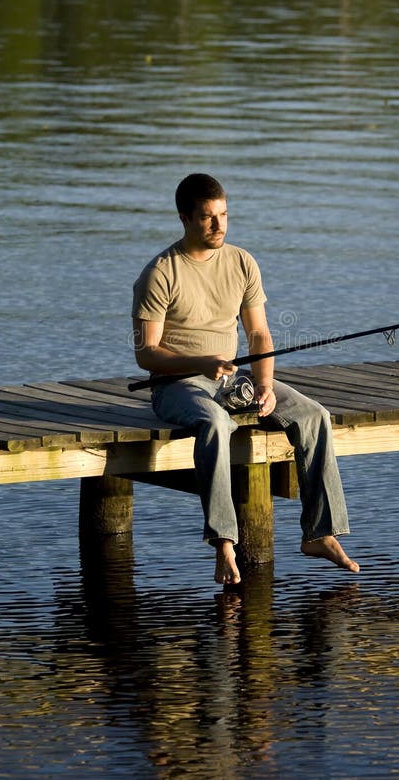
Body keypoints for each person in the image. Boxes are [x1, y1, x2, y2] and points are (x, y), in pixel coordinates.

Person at [131, 173, 359, 586]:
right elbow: (146, 353)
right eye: (207, 217)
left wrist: (266, 385)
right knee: (217, 424)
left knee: (314, 415)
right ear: (184, 219)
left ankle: (319, 534)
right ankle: (224, 543)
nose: (218, 225)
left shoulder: (241, 262)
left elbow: (259, 335)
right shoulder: (160, 273)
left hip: (233, 379)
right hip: (177, 386)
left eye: (223, 215)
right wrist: (199, 362)